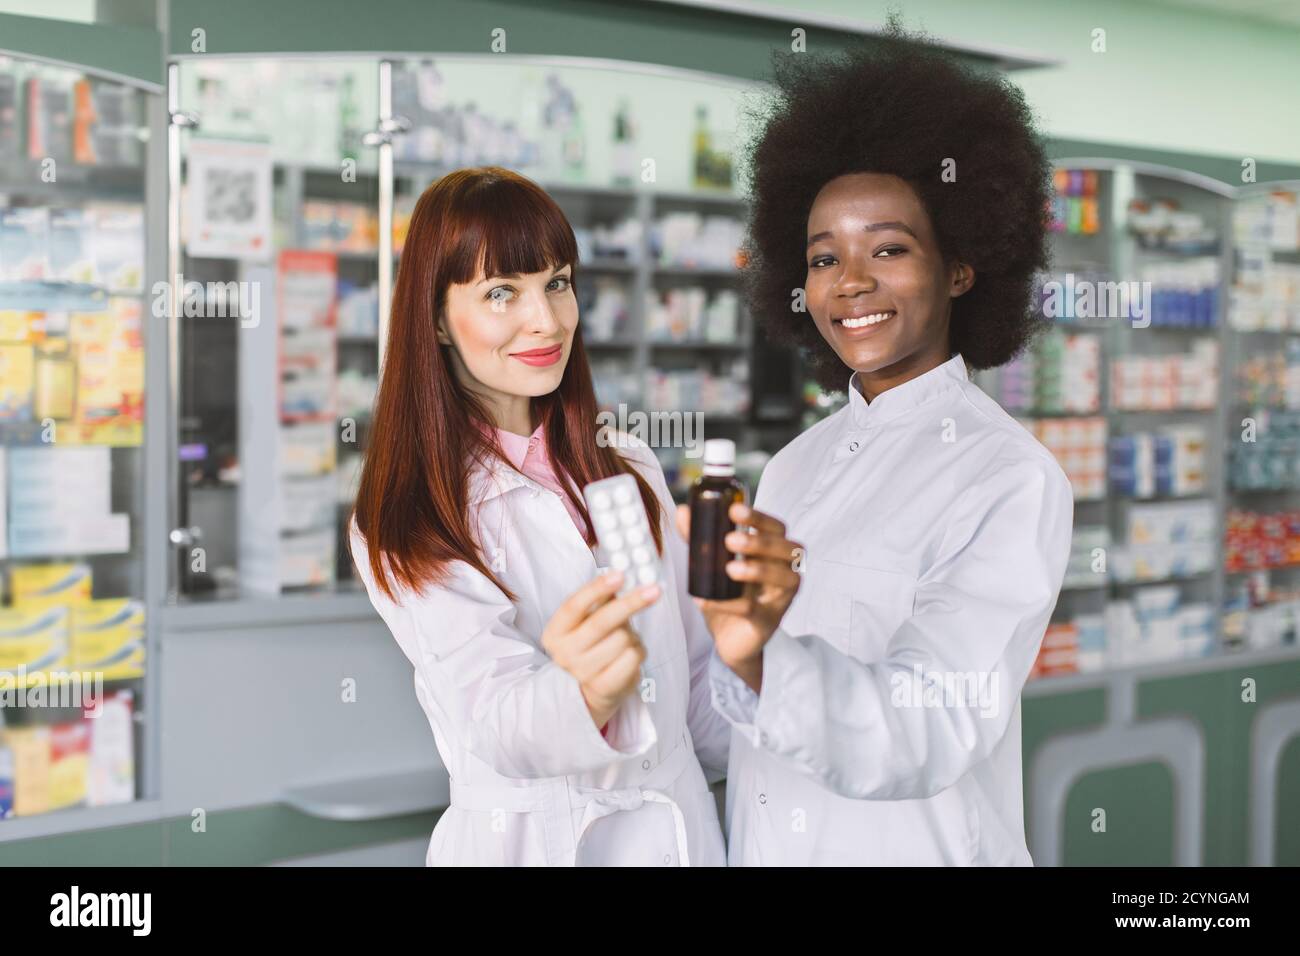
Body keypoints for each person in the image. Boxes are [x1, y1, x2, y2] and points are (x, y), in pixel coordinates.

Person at [691, 22, 1075, 865]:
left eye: (889, 249)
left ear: (961, 268)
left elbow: (932, 723)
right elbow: (735, 725)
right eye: (824, 258)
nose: (852, 283)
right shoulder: (792, 467)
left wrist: (760, 659)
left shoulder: (1009, 476)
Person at [347, 167, 796, 866]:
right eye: (501, 292)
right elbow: (495, 724)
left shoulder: (629, 464)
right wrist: (584, 690)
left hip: (677, 833)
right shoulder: (408, 516)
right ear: (435, 319)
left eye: (557, 282)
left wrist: (756, 659)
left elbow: (696, 694)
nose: (548, 320)